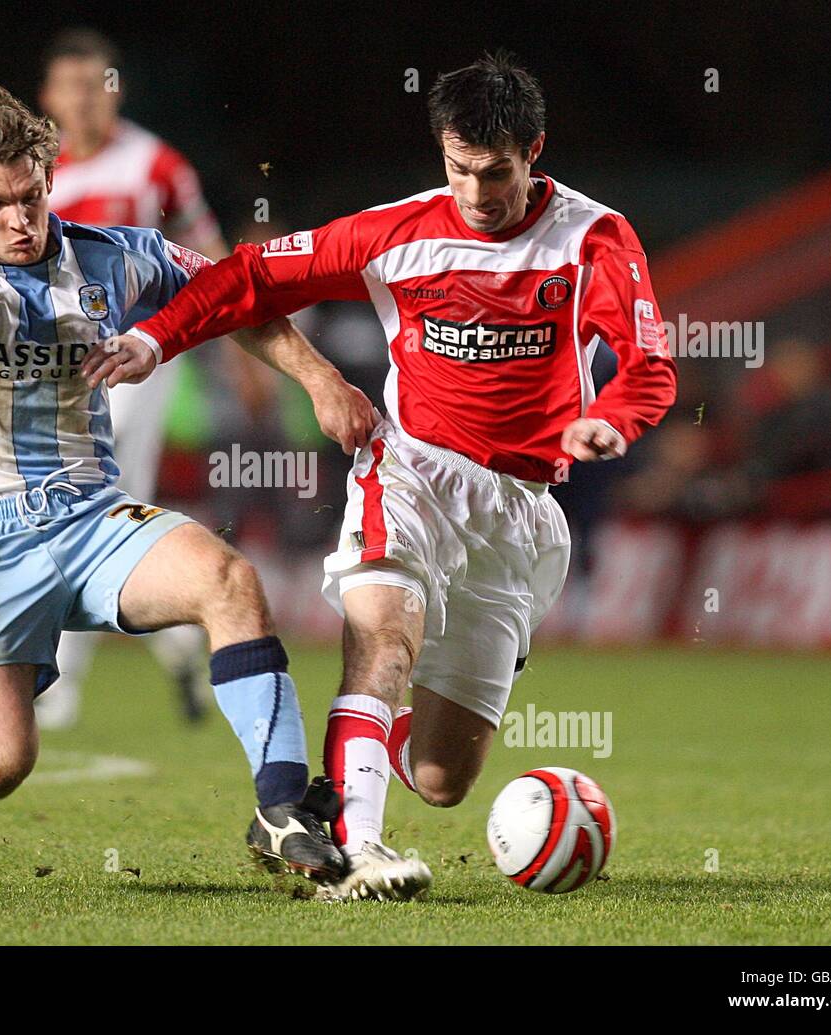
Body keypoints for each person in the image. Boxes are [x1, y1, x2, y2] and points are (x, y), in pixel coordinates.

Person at [84, 52, 678, 901]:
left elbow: (651, 364)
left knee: (441, 775)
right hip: (413, 474)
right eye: (460, 169)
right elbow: (252, 275)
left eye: (497, 172)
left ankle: (353, 768)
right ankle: (357, 845)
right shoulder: (400, 233)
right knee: (383, 638)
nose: (477, 193)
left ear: (535, 150)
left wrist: (610, 420)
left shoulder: (593, 238)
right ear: (443, 151)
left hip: (519, 512)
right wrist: (153, 340)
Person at [0, 83, 377, 889]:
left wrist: (320, 380)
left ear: (50, 180)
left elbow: (235, 294)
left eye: (30, 197)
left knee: (227, 579)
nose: (18, 219)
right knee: (1, 760)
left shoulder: (114, 256)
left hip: (91, 517)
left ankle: (282, 806)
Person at [36, 28, 267, 729]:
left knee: (89, 505)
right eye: (69, 87)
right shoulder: (36, 174)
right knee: (103, 514)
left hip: (138, 361)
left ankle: (60, 688)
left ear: (115, 91)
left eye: (94, 85)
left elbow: (213, 259)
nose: (83, 101)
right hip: (53, 371)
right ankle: (185, 649)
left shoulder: (155, 164)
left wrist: (244, 354)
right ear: (47, 98)